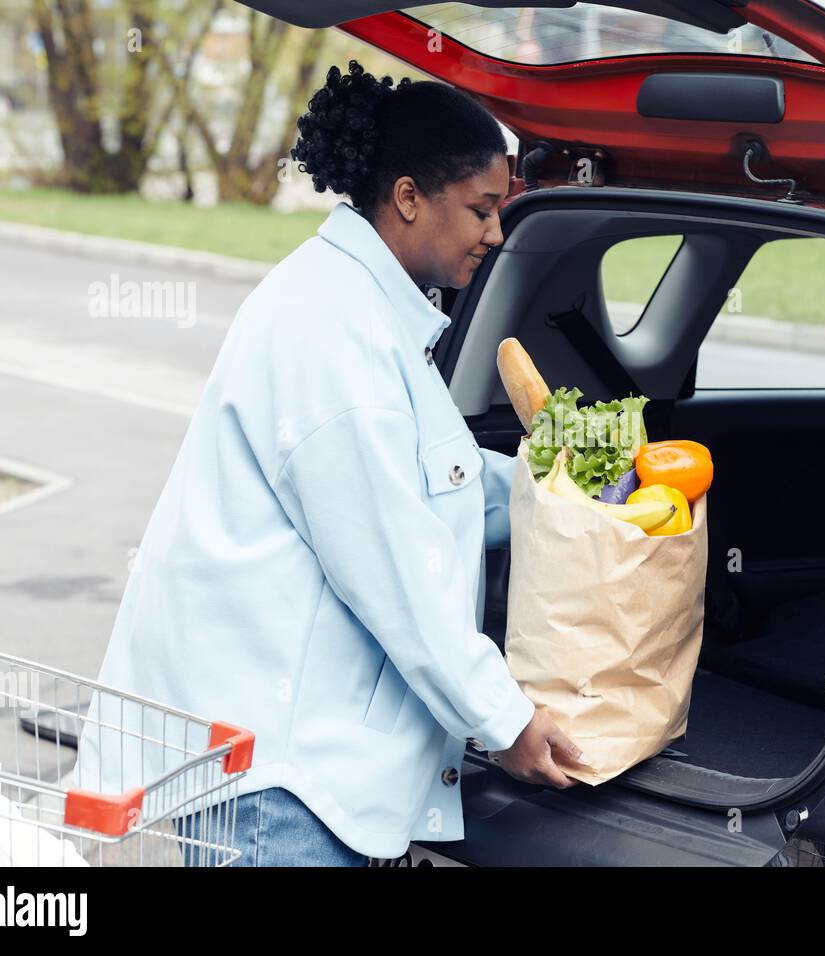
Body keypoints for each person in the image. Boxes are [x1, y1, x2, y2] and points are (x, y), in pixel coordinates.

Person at [74, 61, 588, 867]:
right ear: (410, 197)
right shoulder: (328, 331)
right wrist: (507, 721)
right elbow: (395, 568)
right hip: (276, 787)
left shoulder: (363, 314)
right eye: (483, 211)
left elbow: (437, 481)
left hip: (291, 776)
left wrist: (566, 492)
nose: (495, 234)